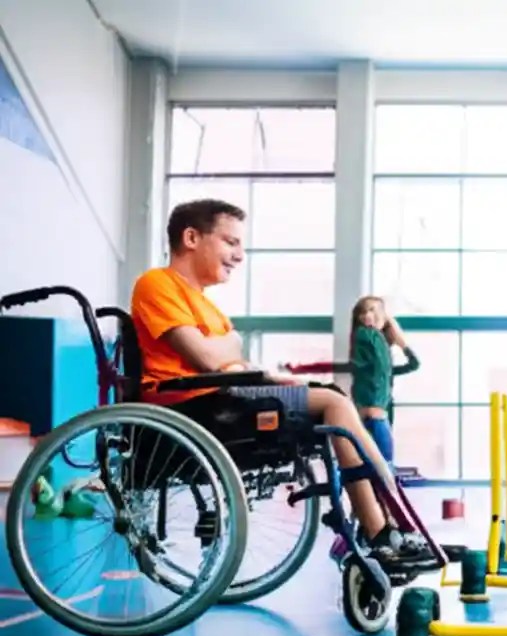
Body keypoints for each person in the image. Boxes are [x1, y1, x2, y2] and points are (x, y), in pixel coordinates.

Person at [130, 198, 431, 564]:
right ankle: (379, 527)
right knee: (335, 403)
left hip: (220, 396)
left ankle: (379, 521)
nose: (239, 255)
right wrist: (229, 346)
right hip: (192, 407)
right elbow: (211, 357)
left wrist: (242, 359)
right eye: (231, 242)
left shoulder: (205, 304)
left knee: (332, 397)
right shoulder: (156, 284)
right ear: (191, 237)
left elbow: (229, 357)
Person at [285, 295, 420, 464]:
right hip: (373, 418)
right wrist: (302, 369)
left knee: (377, 471)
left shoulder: (380, 350)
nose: (366, 316)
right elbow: (348, 366)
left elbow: (413, 365)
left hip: (378, 418)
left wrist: (401, 342)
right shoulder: (366, 334)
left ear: (383, 315)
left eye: (371, 310)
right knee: (382, 471)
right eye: (362, 312)